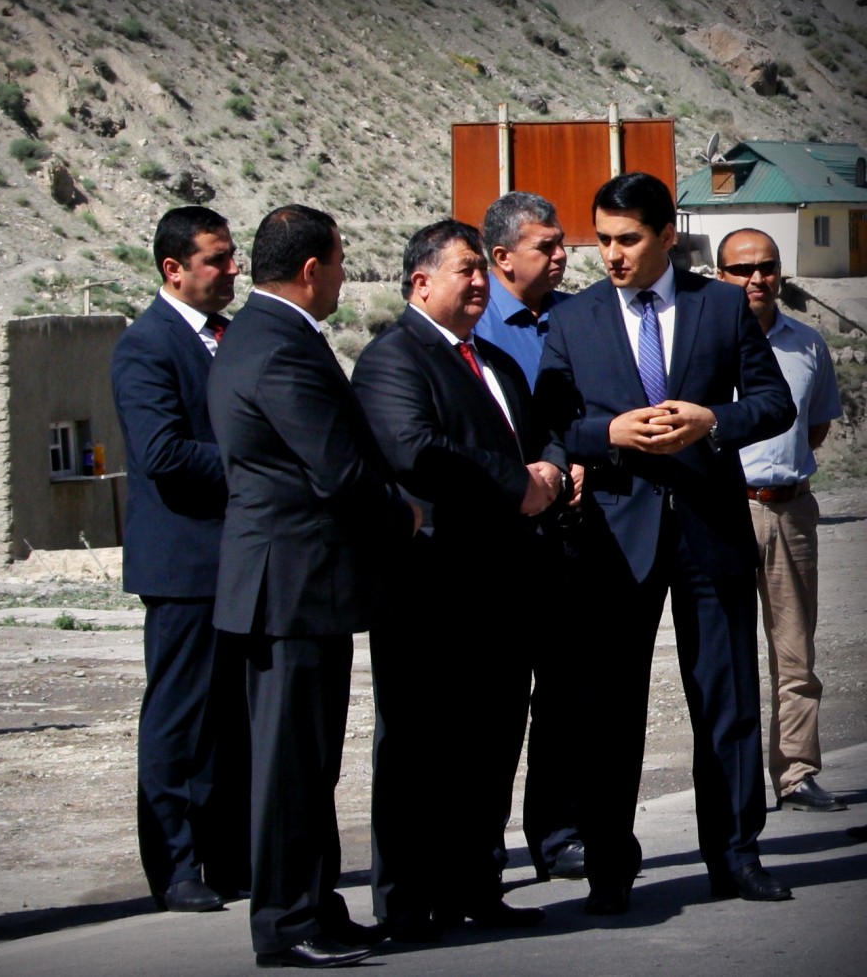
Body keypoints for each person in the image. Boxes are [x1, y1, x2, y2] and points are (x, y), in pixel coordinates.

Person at [535, 172, 797, 914]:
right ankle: (609, 867)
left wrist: (713, 422)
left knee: (726, 699)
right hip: (616, 538)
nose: (612, 255)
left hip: (709, 529)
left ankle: (736, 856)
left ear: (667, 235)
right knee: (610, 708)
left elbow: (774, 403)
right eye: (603, 240)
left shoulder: (721, 306)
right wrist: (608, 435)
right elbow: (551, 424)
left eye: (628, 239)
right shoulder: (575, 318)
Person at [207, 204, 419, 969]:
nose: (341, 276)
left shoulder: (265, 334)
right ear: (309, 270)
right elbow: (337, 469)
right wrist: (405, 514)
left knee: (310, 762)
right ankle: (286, 921)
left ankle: (316, 906)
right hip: (289, 587)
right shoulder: (279, 347)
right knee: (290, 767)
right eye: (337, 262)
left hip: (299, 585)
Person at [351, 219, 565, 940]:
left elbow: (538, 435)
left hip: (505, 585)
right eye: (465, 270)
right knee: (420, 747)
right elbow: (416, 450)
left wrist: (553, 470)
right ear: (420, 282)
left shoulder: (494, 360)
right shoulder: (393, 359)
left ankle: (476, 885)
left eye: (482, 270)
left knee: (491, 740)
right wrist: (515, 484)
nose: (480, 283)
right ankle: (407, 902)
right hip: (432, 589)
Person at [111, 206, 250, 913]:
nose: (232, 270)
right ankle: (174, 865)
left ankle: (228, 856)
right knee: (181, 719)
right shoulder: (147, 346)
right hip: (185, 566)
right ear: (173, 269)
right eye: (216, 259)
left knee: (232, 720)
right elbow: (163, 453)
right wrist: (255, 464)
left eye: (232, 256)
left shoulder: (231, 337)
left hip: (240, 560)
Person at [717, 228, 846, 813]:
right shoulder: (704, 344)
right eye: (742, 269)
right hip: (723, 509)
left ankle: (796, 773)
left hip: (790, 509)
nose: (756, 279)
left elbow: (815, 426)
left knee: (795, 652)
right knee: (725, 653)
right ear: (720, 276)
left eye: (766, 267)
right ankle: (731, 782)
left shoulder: (807, 344)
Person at [478, 190, 585, 882]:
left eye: (561, 242)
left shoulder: (579, 317)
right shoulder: (474, 327)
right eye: (545, 246)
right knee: (496, 700)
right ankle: (482, 844)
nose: (561, 256)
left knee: (567, 691)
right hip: (502, 541)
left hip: (574, 534)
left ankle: (559, 832)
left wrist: (582, 457)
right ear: (502, 256)